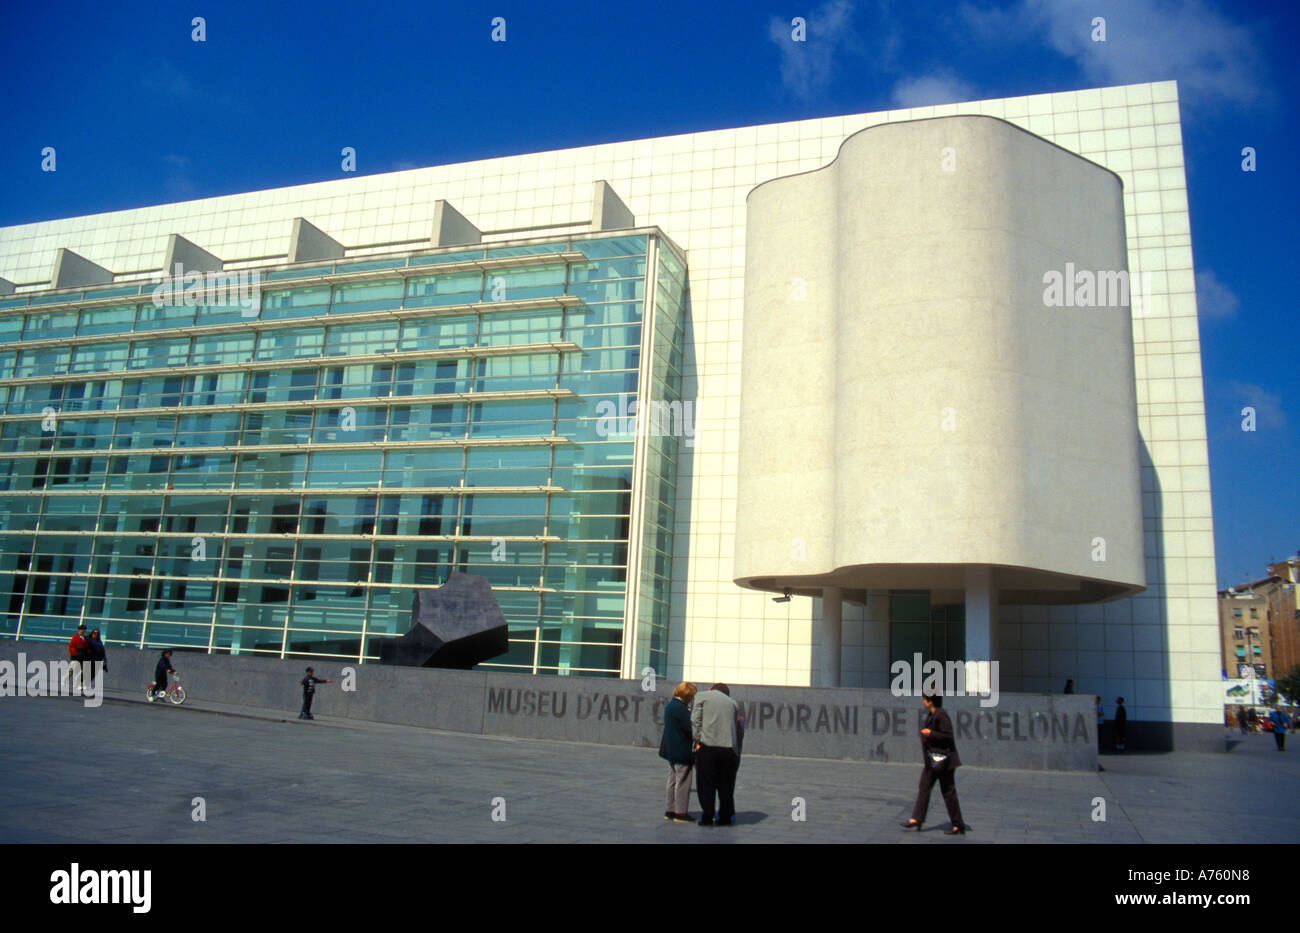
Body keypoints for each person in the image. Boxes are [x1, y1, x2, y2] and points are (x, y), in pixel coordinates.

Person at [900, 692, 966, 834]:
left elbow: (948, 737)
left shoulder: (941, 715)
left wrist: (931, 734)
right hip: (934, 761)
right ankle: (917, 819)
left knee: (948, 791)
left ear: (931, 701)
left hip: (943, 761)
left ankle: (957, 824)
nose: (923, 702)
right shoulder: (932, 715)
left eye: (925, 699)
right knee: (925, 787)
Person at [691, 683, 741, 827]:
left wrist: (697, 740)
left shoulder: (701, 696)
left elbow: (695, 720)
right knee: (726, 785)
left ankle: (707, 816)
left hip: (708, 747)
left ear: (710, 689)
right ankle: (724, 817)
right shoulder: (733, 703)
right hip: (728, 749)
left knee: (706, 783)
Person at [658, 682, 696, 822]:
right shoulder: (681, 709)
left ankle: (670, 810)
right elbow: (688, 729)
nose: (692, 698)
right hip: (681, 750)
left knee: (672, 780)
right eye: (691, 695)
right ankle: (681, 813)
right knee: (683, 781)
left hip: (671, 750)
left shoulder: (670, 706)